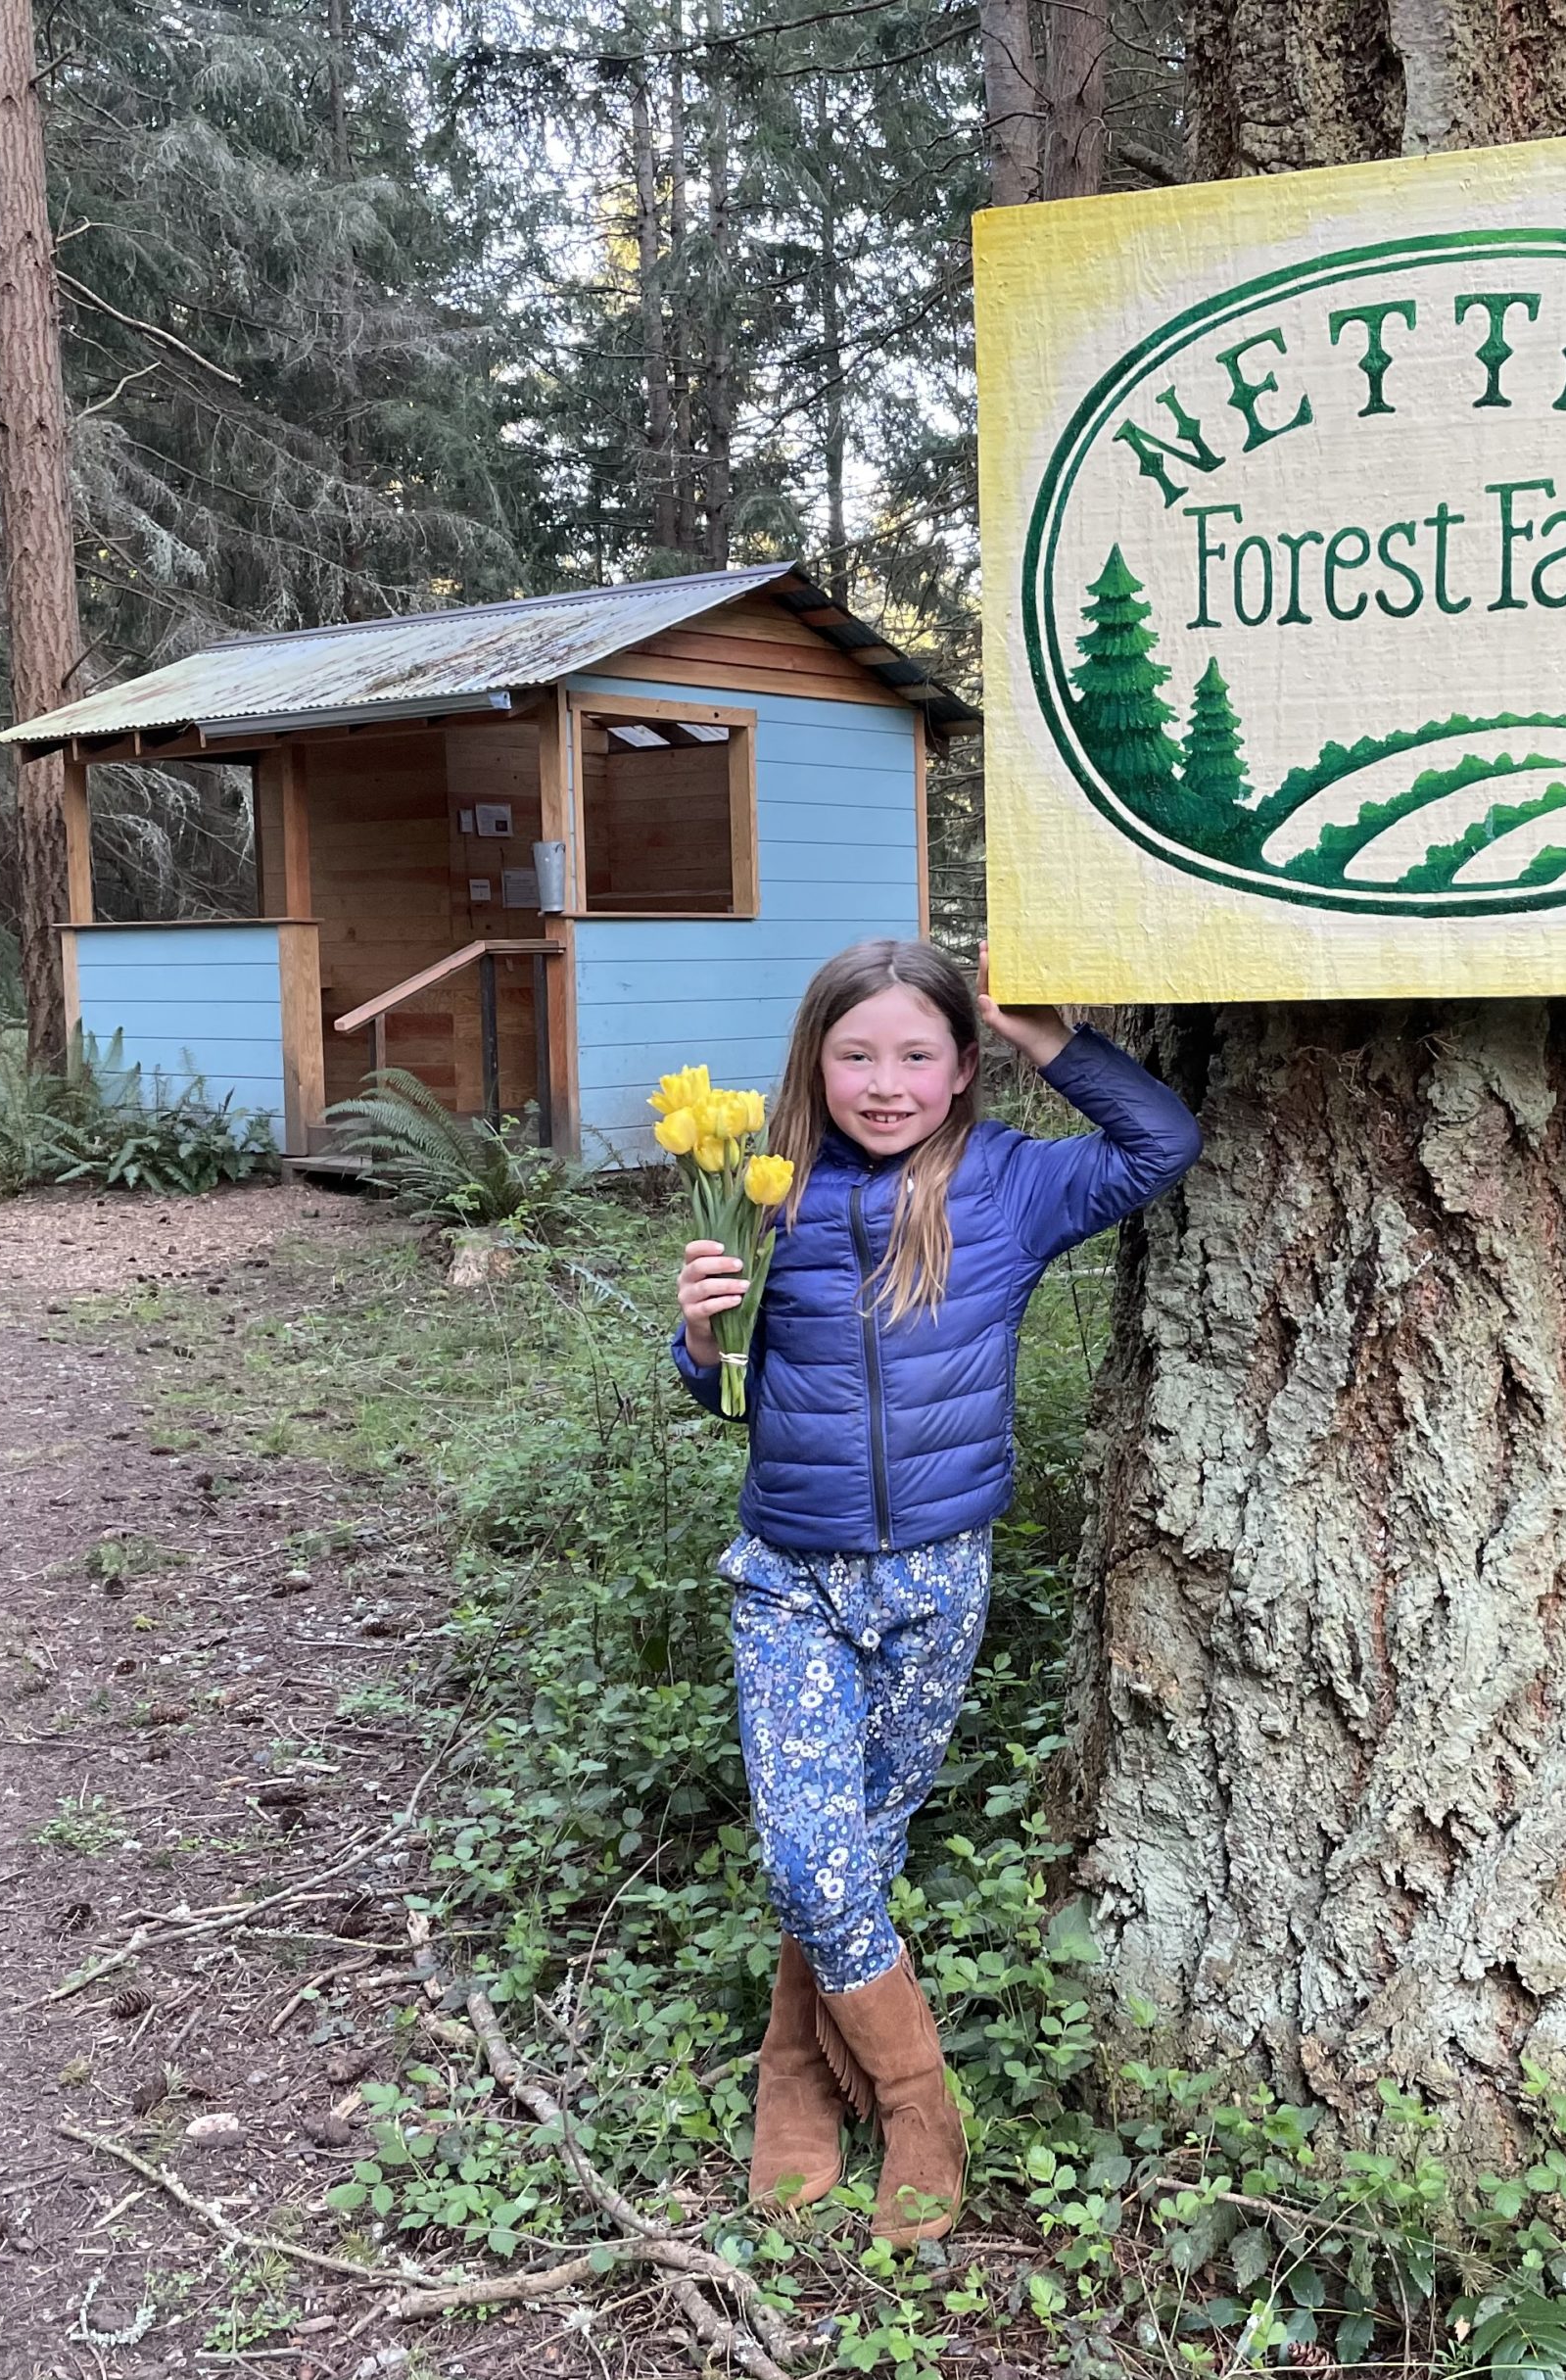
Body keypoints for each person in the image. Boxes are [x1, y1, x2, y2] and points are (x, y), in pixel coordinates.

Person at [672, 936, 1200, 2244]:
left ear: (963, 1068)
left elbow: (1161, 1143)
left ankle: (798, 2073)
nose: (887, 1082)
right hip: (791, 1576)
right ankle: (916, 2099)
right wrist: (696, 1334)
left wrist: (1044, 1033)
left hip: (937, 1578)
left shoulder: (1009, 1185)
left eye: (919, 1053)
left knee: (859, 1856)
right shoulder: (764, 1191)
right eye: (858, 1054)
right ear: (816, 1061)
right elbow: (718, 1388)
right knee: (811, 1853)